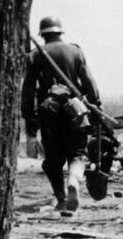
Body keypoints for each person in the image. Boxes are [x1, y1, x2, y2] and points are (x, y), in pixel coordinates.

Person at [21, 15, 101, 211]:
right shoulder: (75, 51)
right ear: (60, 32)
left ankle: (61, 198)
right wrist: (96, 105)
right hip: (75, 110)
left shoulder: (35, 55)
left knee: (52, 161)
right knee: (77, 154)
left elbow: (28, 90)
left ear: (43, 34)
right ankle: (74, 179)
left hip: (49, 112)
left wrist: (29, 117)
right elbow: (89, 82)